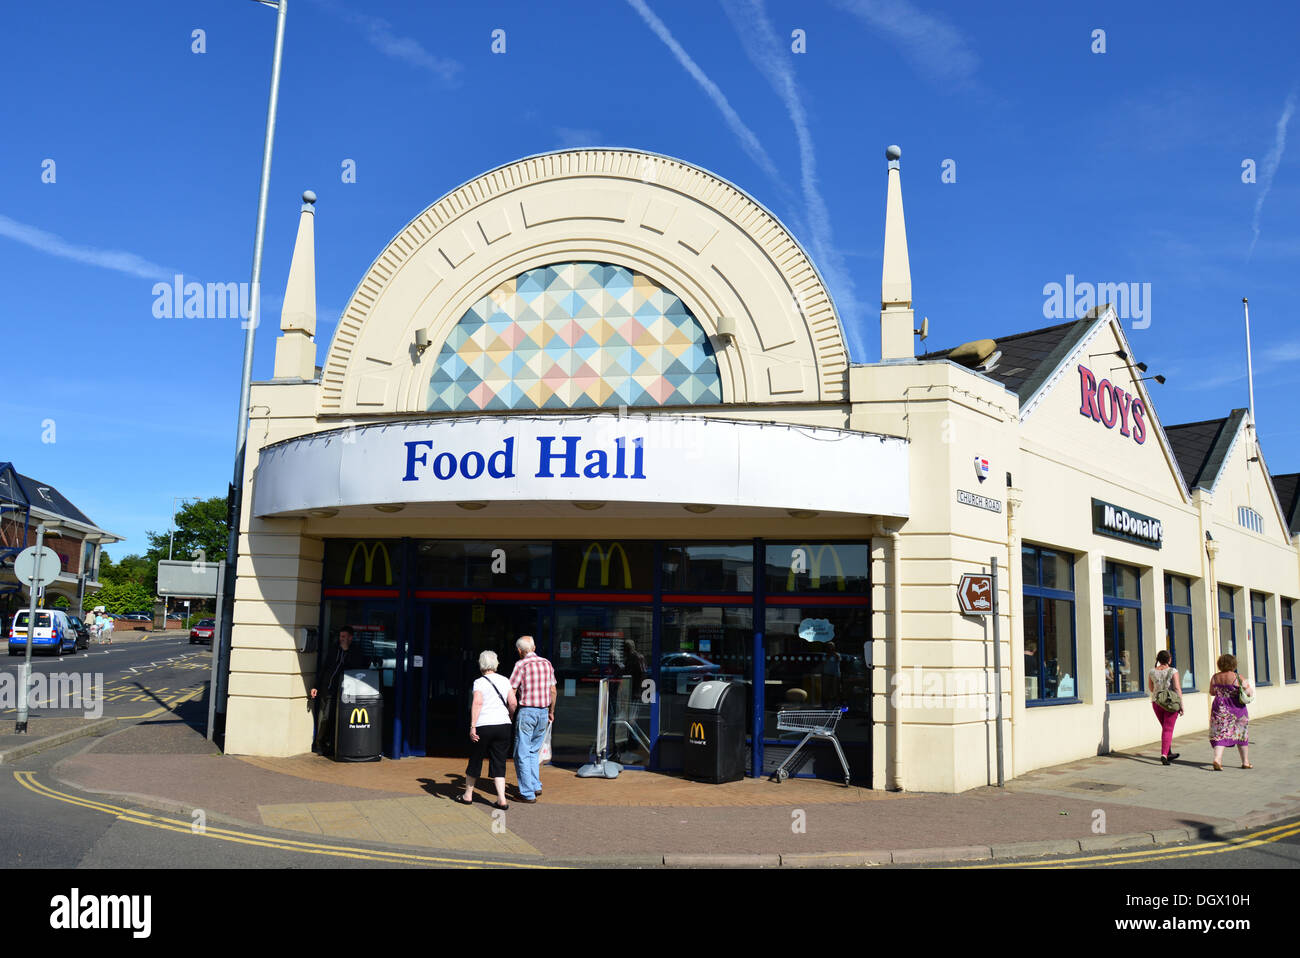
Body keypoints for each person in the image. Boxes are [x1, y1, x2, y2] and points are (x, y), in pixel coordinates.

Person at [457, 650, 516, 809]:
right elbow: (513, 703)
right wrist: (509, 716)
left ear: (481, 664)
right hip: (503, 725)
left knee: (476, 759)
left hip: (484, 725)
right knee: (499, 761)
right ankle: (502, 799)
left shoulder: (479, 682)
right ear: (496, 663)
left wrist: (473, 726)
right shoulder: (505, 680)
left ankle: (468, 795)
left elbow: (477, 703)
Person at [508, 635, 556, 803]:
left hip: (527, 712)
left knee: (521, 753)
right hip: (543, 712)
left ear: (519, 650)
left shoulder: (521, 665)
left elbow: (512, 691)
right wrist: (551, 711)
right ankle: (535, 785)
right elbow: (553, 691)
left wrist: (510, 712)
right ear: (534, 648)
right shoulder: (547, 663)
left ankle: (527, 793)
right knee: (533, 751)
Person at [310, 627, 367, 756]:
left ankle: (333, 744)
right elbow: (325, 668)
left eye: (344, 637)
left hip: (344, 691)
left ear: (350, 638)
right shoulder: (334, 649)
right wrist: (316, 686)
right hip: (328, 689)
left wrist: (346, 651)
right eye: (341, 636)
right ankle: (319, 743)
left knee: (339, 719)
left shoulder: (356, 651)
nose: (341, 639)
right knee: (325, 717)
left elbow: (357, 668)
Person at [1208, 653, 1251, 771]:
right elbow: (1249, 692)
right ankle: (1245, 762)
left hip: (1220, 708)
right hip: (1237, 708)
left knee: (1220, 734)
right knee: (1241, 734)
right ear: (1233, 664)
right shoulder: (1237, 677)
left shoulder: (1215, 677)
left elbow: (1212, 692)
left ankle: (1217, 759)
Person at [1147, 649, 1183, 765]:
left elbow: (1151, 688)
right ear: (1169, 660)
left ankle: (1169, 752)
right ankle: (1164, 755)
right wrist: (1181, 704)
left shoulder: (1152, 672)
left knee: (1165, 728)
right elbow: (1177, 688)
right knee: (1168, 729)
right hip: (1171, 702)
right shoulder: (1173, 671)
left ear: (1158, 660)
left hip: (1157, 702)